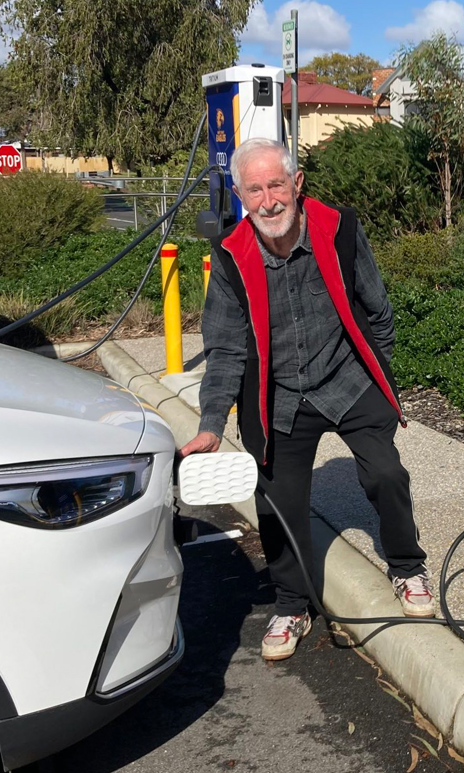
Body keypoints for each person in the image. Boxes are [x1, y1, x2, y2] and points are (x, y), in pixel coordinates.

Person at [180, 137, 434, 661]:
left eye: (277, 184)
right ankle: (292, 603)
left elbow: (378, 310)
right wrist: (211, 422)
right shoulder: (230, 256)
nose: (269, 199)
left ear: (297, 184)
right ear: (240, 195)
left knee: (386, 473)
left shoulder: (339, 229)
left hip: (346, 379)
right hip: (278, 397)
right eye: (256, 189)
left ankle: (408, 567)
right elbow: (224, 348)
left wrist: (379, 375)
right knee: (276, 499)